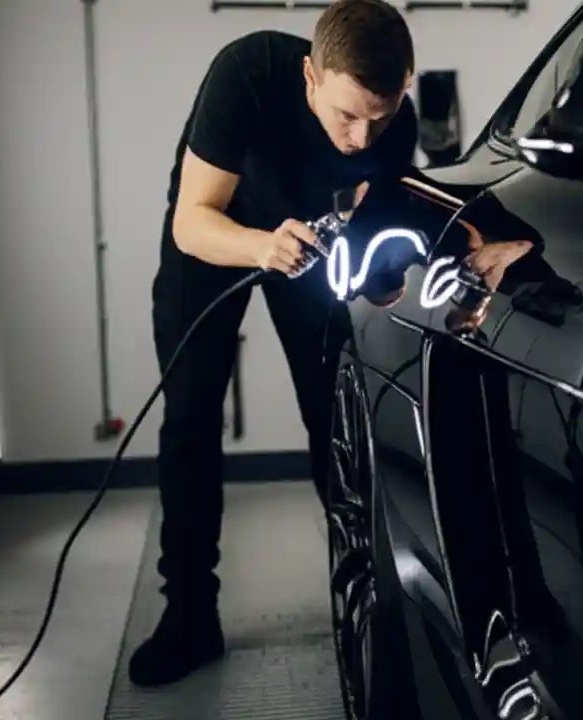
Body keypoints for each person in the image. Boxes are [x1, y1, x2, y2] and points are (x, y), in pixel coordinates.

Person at [131, 0, 419, 687]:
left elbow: (378, 252)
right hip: (217, 235)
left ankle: (372, 598)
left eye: (378, 117)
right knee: (191, 417)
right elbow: (191, 222)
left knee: (335, 417)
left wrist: (391, 273)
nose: (360, 136)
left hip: (308, 243)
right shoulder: (248, 72)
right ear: (310, 78)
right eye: (347, 115)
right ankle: (190, 616)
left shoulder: (392, 121)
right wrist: (263, 246)